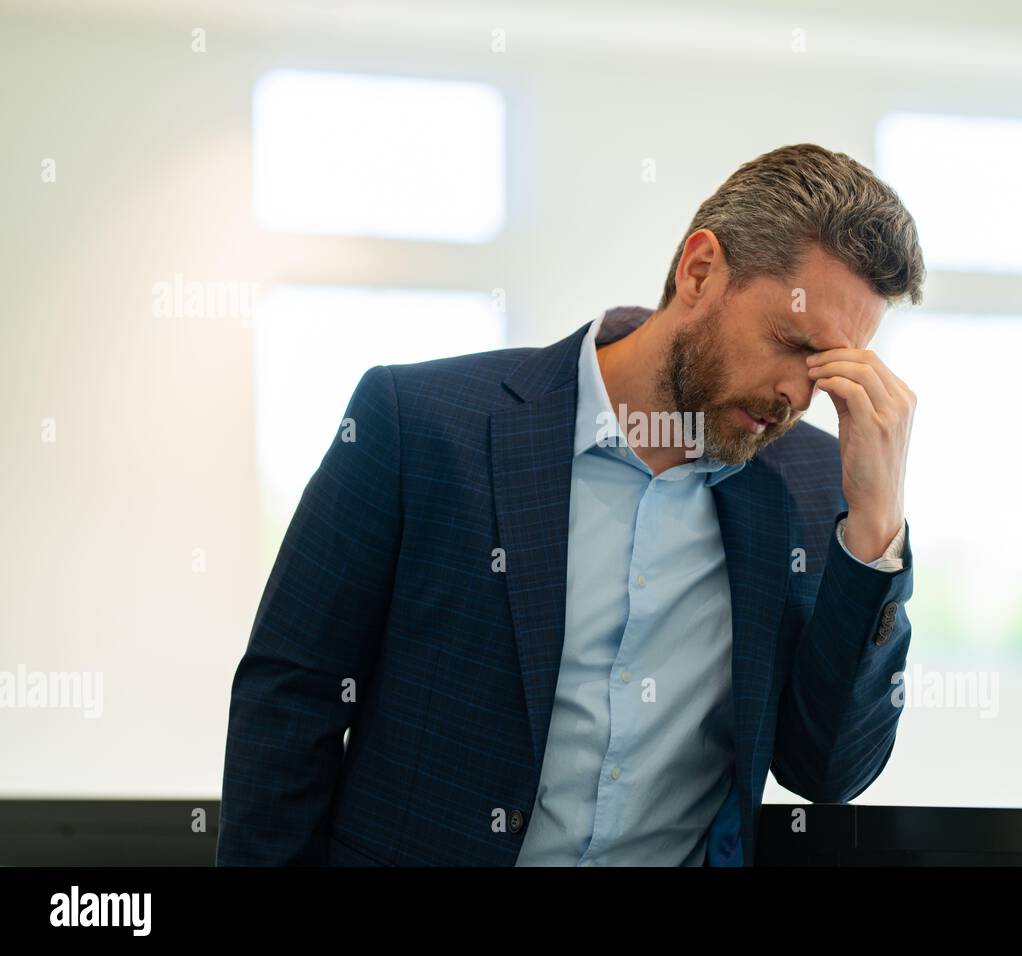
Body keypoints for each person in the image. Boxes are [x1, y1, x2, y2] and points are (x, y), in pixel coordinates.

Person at [217, 143, 924, 867]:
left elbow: (828, 772)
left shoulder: (811, 486)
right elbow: (291, 695)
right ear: (700, 270)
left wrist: (874, 533)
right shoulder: (418, 423)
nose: (797, 398)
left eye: (826, 372)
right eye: (790, 342)